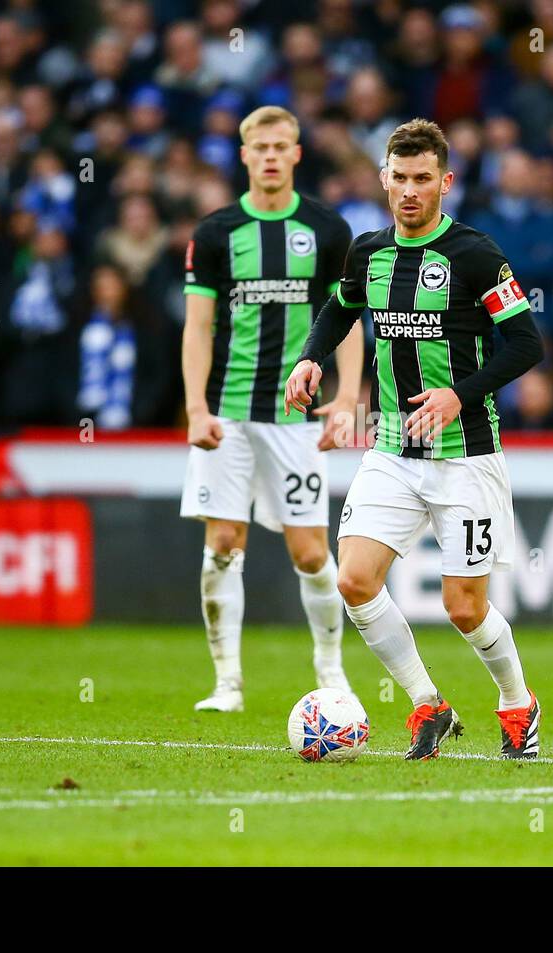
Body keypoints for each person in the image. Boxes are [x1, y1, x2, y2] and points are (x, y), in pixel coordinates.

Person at [286, 119, 545, 760]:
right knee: (354, 580)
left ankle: (518, 705)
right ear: (383, 179)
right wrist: (311, 358)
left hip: (467, 457)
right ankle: (428, 706)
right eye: (398, 178)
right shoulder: (367, 252)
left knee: (462, 607)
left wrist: (461, 392)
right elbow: (341, 307)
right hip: (393, 451)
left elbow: (527, 344)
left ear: (445, 182)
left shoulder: (477, 256)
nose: (409, 190)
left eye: (422, 178)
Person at [180, 106, 362, 712]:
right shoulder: (215, 233)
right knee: (224, 543)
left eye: (281, 146)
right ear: (244, 154)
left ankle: (330, 672)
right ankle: (227, 683)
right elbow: (199, 327)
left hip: (295, 416)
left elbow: (350, 316)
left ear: (297, 153)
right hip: (228, 411)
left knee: (311, 552)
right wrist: (195, 408)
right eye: (260, 147)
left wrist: (345, 397)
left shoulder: (327, 229)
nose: (270, 156)